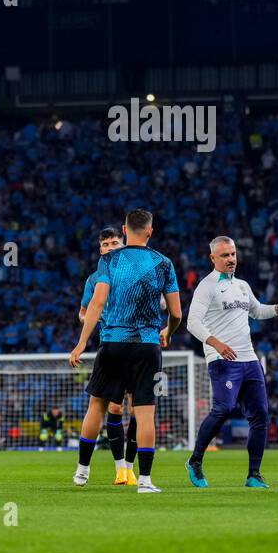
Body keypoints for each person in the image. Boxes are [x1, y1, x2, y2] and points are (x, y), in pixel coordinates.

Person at [70, 209, 181, 493]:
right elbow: (177, 312)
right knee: (145, 413)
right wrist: (168, 331)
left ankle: (82, 471)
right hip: (147, 346)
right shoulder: (164, 263)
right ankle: (143, 480)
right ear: (150, 231)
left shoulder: (108, 261)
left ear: (124, 229)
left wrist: (83, 342)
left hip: (113, 343)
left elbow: (96, 304)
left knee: (97, 405)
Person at [184, 235, 278, 489]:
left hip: (249, 358)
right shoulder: (207, 286)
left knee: (261, 416)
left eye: (233, 254)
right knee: (224, 408)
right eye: (225, 255)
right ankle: (195, 461)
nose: (231, 259)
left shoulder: (243, 286)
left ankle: (253, 475)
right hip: (222, 360)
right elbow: (192, 323)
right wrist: (216, 343)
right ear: (213, 258)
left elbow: (256, 311)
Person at [78, 227, 137, 484]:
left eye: (115, 242)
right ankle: (87, 468)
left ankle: (128, 468)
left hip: (137, 345)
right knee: (105, 405)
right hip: (110, 344)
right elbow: (83, 312)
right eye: (106, 244)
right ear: (100, 250)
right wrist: (95, 318)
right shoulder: (93, 280)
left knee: (135, 407)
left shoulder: (138, 272)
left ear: (123, 244)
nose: (111, 247)